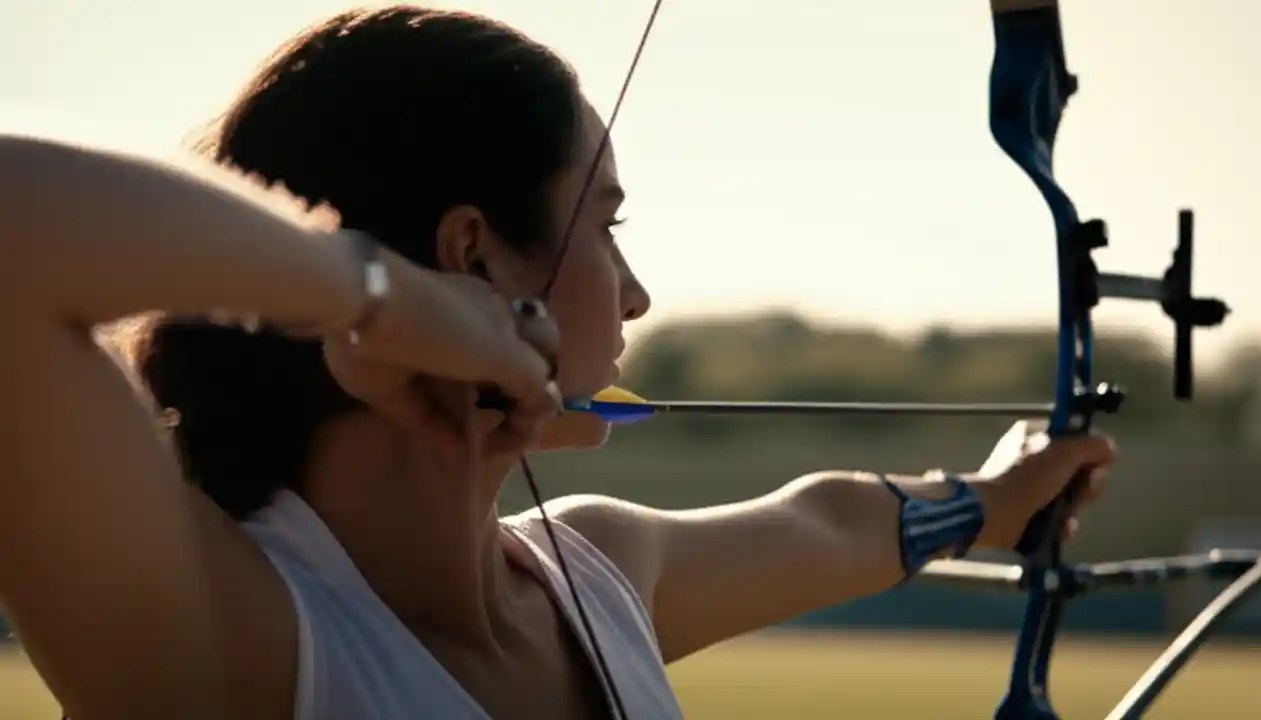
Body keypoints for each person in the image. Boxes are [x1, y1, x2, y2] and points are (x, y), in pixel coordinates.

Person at [0, 6, 1115, 720]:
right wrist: (379, 299)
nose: (635, 295)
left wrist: (996, 500)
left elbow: (828, 523)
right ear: (471, 255)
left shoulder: (594, 570)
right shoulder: (229, 635)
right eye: (607, 224)